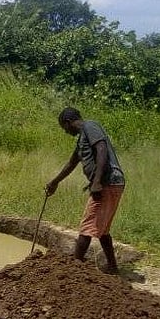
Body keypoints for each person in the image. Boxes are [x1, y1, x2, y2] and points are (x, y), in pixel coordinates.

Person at [44, 107, 125, 273]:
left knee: (86, 227)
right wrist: (54, 182)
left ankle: (75, 271)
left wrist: (96, 182)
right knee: (102, 229)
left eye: (64, 128)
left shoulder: (90, 126)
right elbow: (72, 163)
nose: (65, 132)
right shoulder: (82, 139)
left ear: (68, 123)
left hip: (107, 182)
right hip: (110, 183)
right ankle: (112, 267)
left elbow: (101, 150)